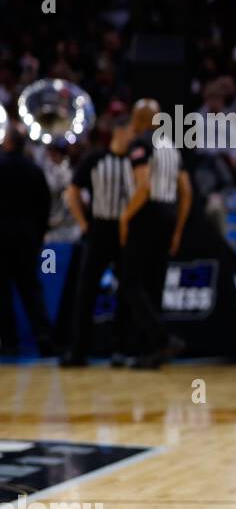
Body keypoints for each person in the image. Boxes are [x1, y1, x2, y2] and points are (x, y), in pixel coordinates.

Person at [120, 99, 191, 369]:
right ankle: (151, 352)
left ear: (138, 120)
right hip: (168, 214)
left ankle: (161, 340)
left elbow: (144, 186)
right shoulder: (171, 148)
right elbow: (187, 192)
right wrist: (178, 229)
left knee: (130, 282)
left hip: (146, 214)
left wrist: (126, 217)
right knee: (153, 285)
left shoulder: (140, 145)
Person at [61, 119, 137, 367]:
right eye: (130, 131)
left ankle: (120, 349)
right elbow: (72, 192)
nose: (133, 136)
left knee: (125, 291)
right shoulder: (95, 158)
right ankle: (78, 350)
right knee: (86, 292)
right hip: (99, 229)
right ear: (118, 130)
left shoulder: (135, 160)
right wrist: (84, 224)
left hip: (124, 232)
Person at [0, 128, 55, 356]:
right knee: (31, 290)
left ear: (9, 143)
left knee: (2, 293)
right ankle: (45, 340)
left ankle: (9, 342)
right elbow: (46, 205)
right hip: (28, 238)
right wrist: (38, 233)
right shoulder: (35, 170)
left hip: (0, 238)